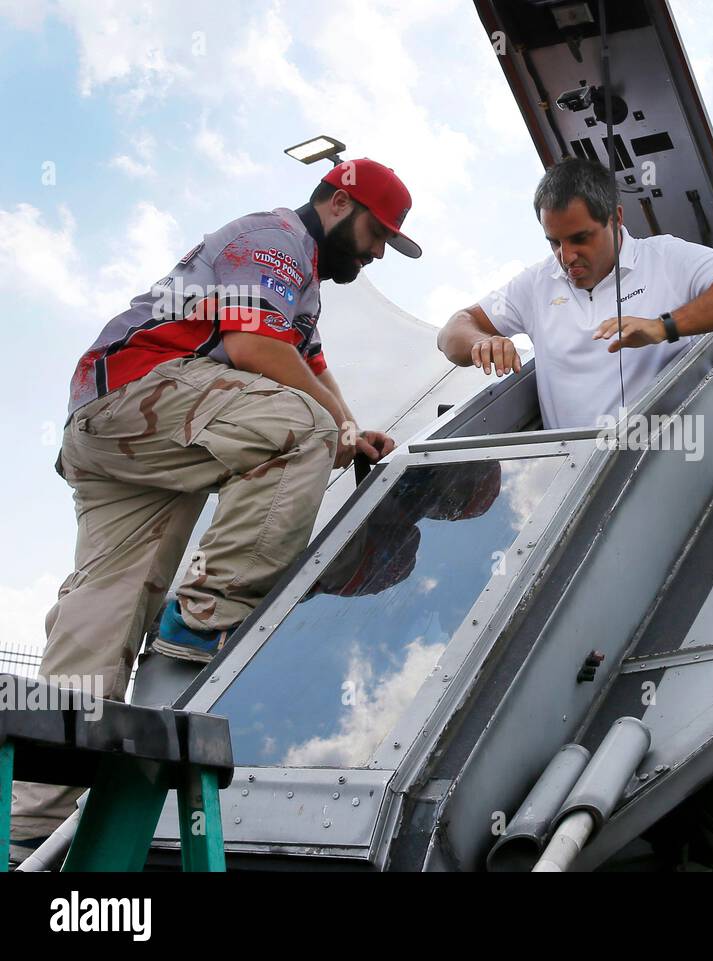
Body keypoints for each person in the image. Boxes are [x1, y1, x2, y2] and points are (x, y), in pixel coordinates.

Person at [8, 158, 420, 862]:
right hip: (138, 396)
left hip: (124, 433)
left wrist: (355, 425)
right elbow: (254, 346)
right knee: (304, 430)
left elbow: (310, 366)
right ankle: (204, 617)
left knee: (103, 610)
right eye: (377, 233)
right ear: (338, 202)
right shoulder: (272, 238)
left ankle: (23, 830)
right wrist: (335, 429)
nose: (379, 251)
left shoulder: (304, 288)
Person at [437, 157, 713, 429]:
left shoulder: (664, 257)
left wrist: (663, 327)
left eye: (580, 238)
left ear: (615, 218)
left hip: (664, 460)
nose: (566, 256)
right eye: (554, 242)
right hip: (569, 479)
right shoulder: (537, 282)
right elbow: (454, 330)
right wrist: (479, 342)